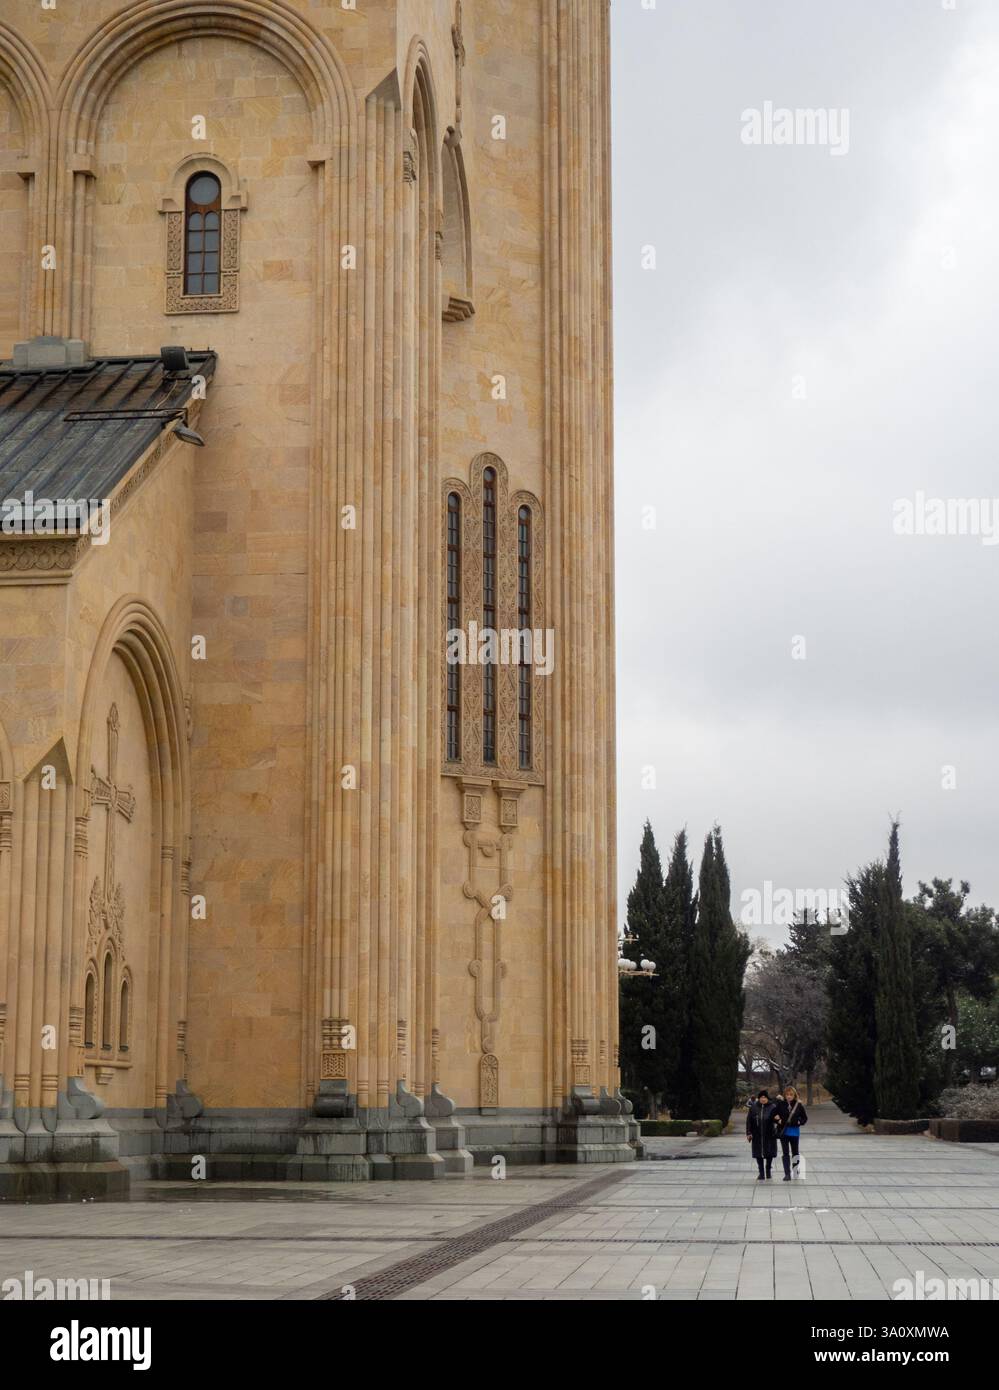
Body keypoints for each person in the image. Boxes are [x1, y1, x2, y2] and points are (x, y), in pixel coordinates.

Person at [746, 1089, 781, 1180]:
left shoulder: (772, 1107)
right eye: (761, 1097)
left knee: (769, 1153)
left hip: (769, 1134)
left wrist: (778, 1119)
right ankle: (761, 1173)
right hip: (757, 1134)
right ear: (759, 1098)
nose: (763, 1099)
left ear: (767, 1098)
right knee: (758, 1154)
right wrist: (749, 1132)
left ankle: (768, 1171)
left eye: (765, 1097)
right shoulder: (753, 1107)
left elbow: (777, 1119)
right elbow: (749, 1121)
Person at [775, 1085, 808, 1180]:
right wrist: (778, 1120)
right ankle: (787, 1174)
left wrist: (799, 1122)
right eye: (787, 1094)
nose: (789, 1096)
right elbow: (773, 1115)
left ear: (794, 1095)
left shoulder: (798, 1105)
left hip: (794, 1132)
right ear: (784, 1095)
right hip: (783, 1132)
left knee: (795, 1152)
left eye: (791, 1094)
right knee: (785, 1153)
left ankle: (795, 1171)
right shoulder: (780, 1104)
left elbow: (805, 1118)